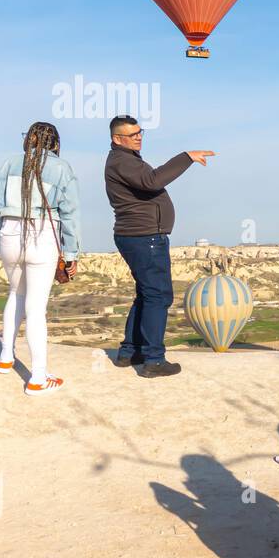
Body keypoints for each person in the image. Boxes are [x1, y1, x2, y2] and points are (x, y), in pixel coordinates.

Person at [105, 115, 214, 378]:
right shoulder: (122, 161)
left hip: (140, 237)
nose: (139, 137)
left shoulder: (126, 160)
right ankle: (153, 360)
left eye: (140, 132)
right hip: (144, 238)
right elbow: (153, 181)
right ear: (117, 139)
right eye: (133, 135)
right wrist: (185, 157)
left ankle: (130, 352)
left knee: (146, 294)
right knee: (158, 296)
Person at [0, 121, 81, 395]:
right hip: (43, 235)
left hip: (9, 232)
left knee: (15, 294)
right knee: (36, 309)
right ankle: (38, 378)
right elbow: (71, 215)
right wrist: (71, 253)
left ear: (28, 139)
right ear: (54, 143)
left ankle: (6, 358)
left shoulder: (9, 163)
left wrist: (9, 231)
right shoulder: (61, 168)